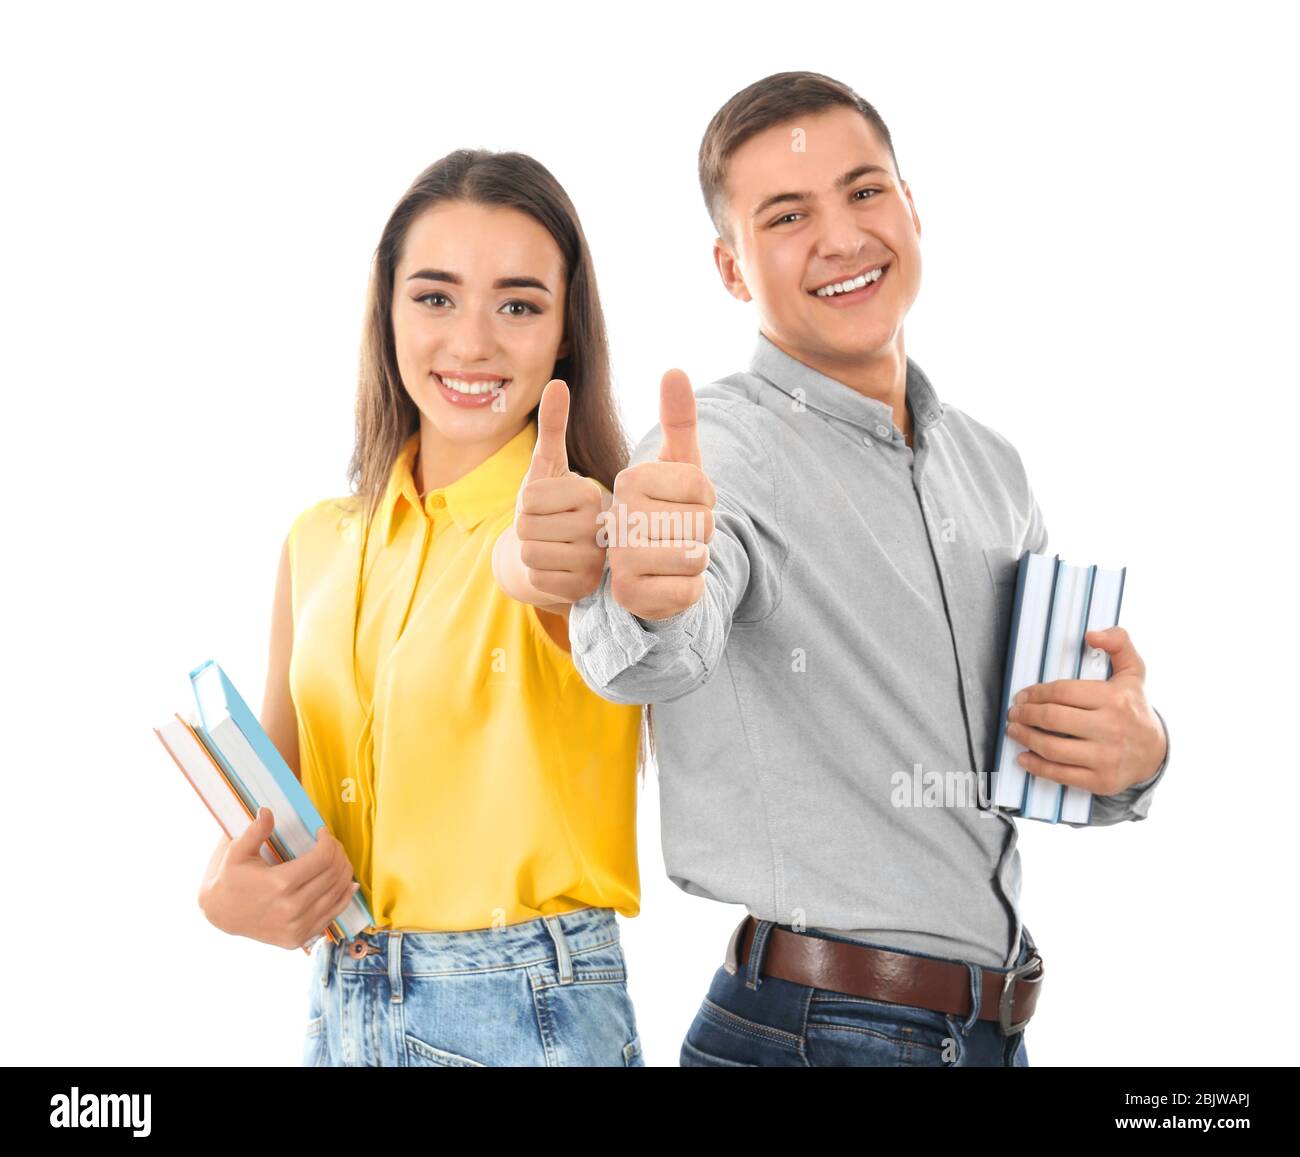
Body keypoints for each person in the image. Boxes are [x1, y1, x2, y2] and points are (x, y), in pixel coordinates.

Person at [561, 72, 1172, 1067]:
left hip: (984, 1030)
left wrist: (1132, 754)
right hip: (819, 1029)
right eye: (788, 215)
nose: (842, 237)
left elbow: (1037, 765)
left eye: (864, 191)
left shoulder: (991, 467)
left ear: (913, 207)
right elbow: (649, 659)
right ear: (730, 267)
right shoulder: (718, 447)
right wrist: (641, 594)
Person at [196, 149, 646, 1067]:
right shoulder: (317, 540)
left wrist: (603, 543)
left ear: (565, 331)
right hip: (343, 1002)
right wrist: (227, 893)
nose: (473, 343)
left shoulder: (586, 530)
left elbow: (576, 587)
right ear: (387, 311)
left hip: (528, 1011)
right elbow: (275, 822)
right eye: (436, 297)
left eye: (518, 305)